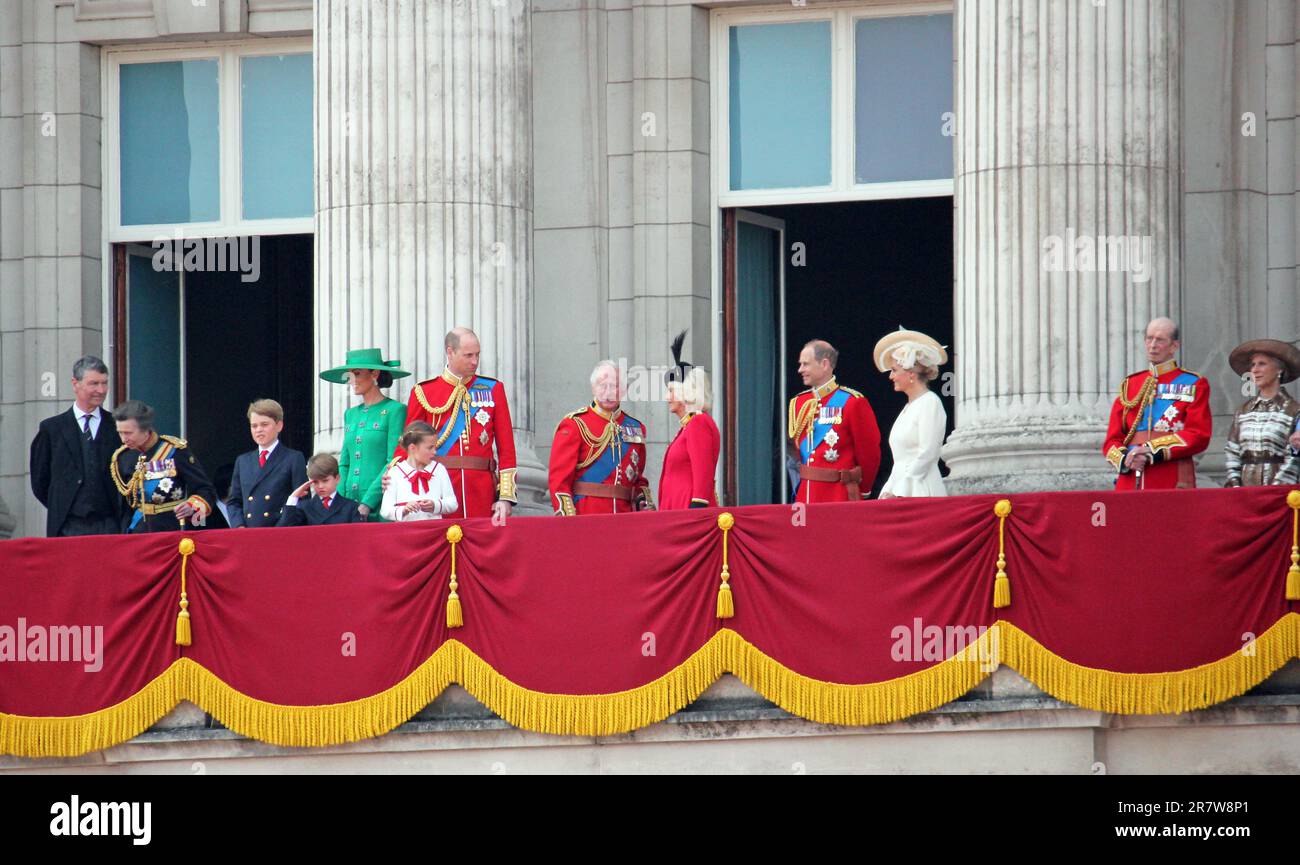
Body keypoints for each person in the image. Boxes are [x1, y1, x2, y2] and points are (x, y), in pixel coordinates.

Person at [394, 327, 517, 520]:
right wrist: (395, 477)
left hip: (481, 489)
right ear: (450, 352)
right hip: (436, 486)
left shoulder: (493, 389)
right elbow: (408, 444)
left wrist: (506, 497)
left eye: (477, 354)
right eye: (468, 355)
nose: (475, 361)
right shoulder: (424, 391)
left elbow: (507, 448)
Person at [1103, 317, 1212, 490]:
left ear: (1174, 346)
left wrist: (1151, 450)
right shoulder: (1130, 385)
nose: (1153, 345)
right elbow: (1112, 440)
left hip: (1170, 476)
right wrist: (1126, 459)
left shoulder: (1193, 383)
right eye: (1149, 338)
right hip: (1131, 477)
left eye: (1160, 340)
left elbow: (1198, 435)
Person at [29, 356, 123, 536]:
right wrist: (61, 505)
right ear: (75, 384)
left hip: (110, 525)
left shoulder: (117, 426)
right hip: (68, 525)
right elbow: (40, 480)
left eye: (104, 383)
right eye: (94, 384)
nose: (101, 390)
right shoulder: (52, 429)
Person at [548, 360, 653, 515]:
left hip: (626, 517)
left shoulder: (635, 428)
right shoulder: (575, 424)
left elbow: (638, 478)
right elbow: (559, 480)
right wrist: (567, 517)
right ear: (593, 388)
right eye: (602, 385)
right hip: (587, 514)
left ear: (624, 390)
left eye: (614, 386)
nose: (608, 392)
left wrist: (643, 502)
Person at [319, 348, 410, 520]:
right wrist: (340, 500)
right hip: (349, 504)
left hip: (382, 502)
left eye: (357, 373)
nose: (351, 380)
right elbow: (345, 462)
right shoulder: (351, 414)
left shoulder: (395, 410)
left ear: (374, 374)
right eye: (350, 374)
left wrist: (368, 502)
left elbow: (394, 460)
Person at [788, 339, 882, 502]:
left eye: (806, 364)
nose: (800, 370)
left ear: (824, 364)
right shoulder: (799, 403)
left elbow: (869, 452)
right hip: (804, 495)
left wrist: (864, 489)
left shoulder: (852, 401)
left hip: (838, 495)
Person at [110, 400, 216, 532]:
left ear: (146, 429)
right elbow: (123, 506)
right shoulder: (123, 457)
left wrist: (192, 506)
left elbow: (205, 490)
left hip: (171, 530)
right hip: (138, 532)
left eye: (128, 433)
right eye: (120, 432)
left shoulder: (175, 451)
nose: (123, 439)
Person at [874, 327, 949, 498]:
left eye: (894, 370)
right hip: (901, 490)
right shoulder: (908, 407)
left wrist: (901, 491)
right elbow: (900, 462)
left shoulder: (930, 402)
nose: (890, 376)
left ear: (911, 374)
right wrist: (888, 489)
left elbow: (928, 453)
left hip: (921, 490)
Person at [1223, 338, 1300, 487]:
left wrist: (1276, 489)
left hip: (1281, 494)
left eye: (1262, 364)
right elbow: (1232, 451)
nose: (1254, 370)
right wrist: (1235, 485)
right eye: (1253, 365)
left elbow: (1295, 456)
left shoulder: (1294, 410)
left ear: (1279, 369)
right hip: (1244, 495)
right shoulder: (1243, 411)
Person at [658, 331, 719, 510]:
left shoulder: (698, 424)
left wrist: (695, 512)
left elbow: (702, 474)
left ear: (686, 392)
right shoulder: (689, 426)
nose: (667, 397)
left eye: (671, 391)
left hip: (687, 512)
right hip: (677, 509)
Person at [225, 399, 307, 528]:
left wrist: (281, 527)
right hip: (248, 533)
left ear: (279, 426)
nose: (258, 430)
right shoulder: (243, 461)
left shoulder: (293, 458)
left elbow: (302, 502)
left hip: (280, 533)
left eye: (264, 424)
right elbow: (234, 502)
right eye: (254, 426)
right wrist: (239, 526)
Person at [381, 422, 458, 521]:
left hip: (434, 531)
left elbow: (452, 503)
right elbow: (385, 510)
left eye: (435, 447)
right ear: (412, 448)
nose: (434, 452)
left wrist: (435, 505)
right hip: (406, 533)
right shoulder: (395, 473)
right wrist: (404, 510)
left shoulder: (439, 470)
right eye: (430, 448)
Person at [279, 453, 366, 526]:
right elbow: (285, 529)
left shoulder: (350, 507)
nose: (320, 486)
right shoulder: (305, 507)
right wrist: (293, 498)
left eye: (325, 481)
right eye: (315, 482)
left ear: (337, 478)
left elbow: (357, 535)